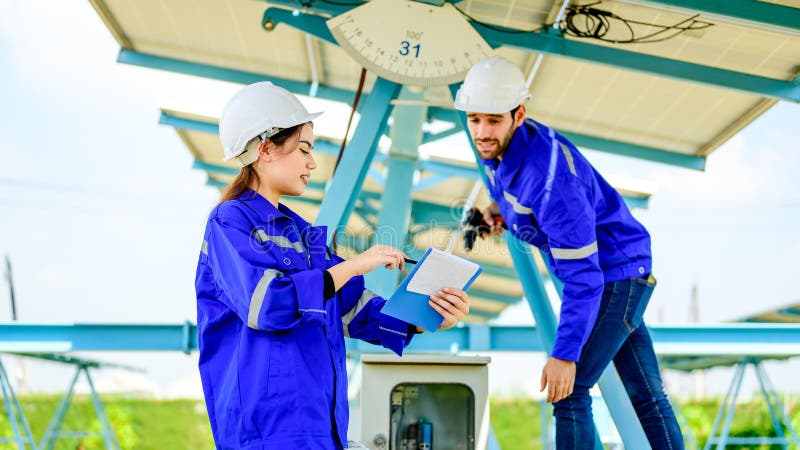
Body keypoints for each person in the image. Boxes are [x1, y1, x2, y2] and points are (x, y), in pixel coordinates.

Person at [195, 81, 471, 449]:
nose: (312, 162)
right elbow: (266, 304)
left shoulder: (304, 236)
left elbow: (354, 310)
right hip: (266, 430)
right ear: (265, 149)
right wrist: (355, 265)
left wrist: (428, 312)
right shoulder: (229, 223)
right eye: (304, 149)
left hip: (322, 429)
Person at [454, 56, 683, 449]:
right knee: (645, 395)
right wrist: (491, 215)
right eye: (474, 119)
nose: (481, 131)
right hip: (619, 271)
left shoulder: (554, 183)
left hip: (615, 278)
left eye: (493, 120)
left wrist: (564, 355)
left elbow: (585, 278)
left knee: (569, 390)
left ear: (518, 114)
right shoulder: (503, 150)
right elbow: (511, 195)